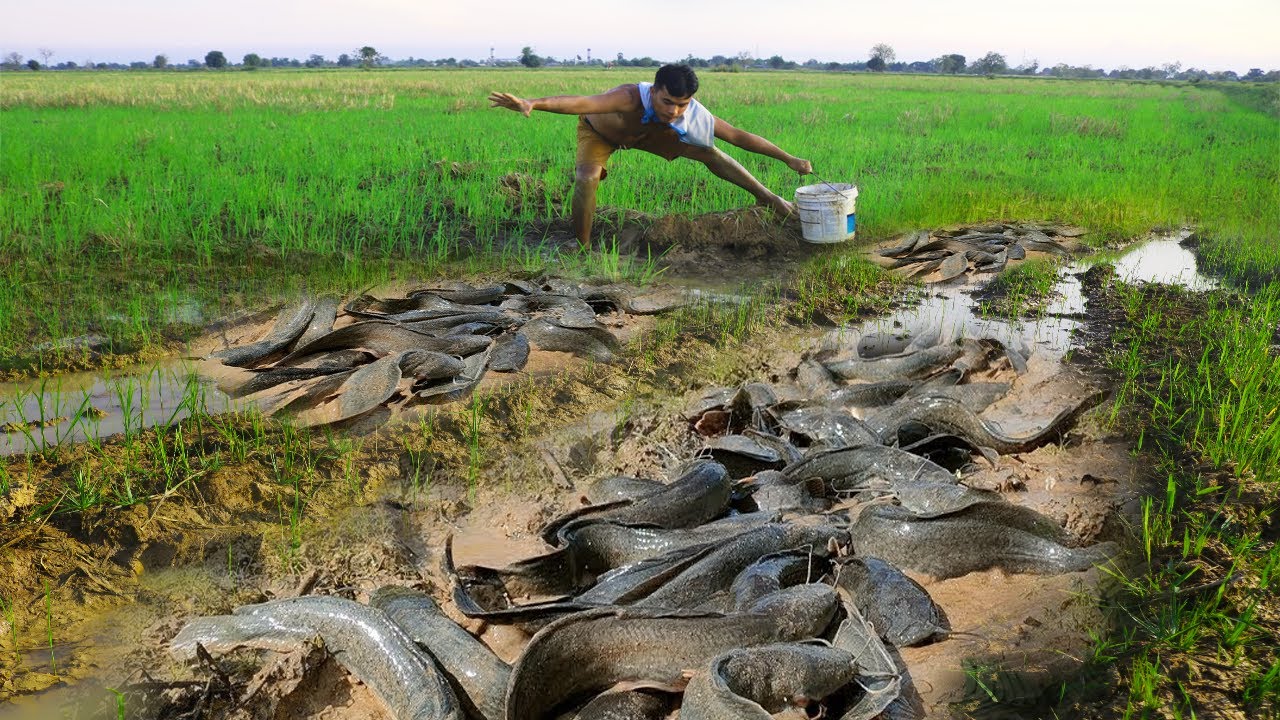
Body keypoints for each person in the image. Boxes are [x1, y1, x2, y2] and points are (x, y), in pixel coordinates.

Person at [488, 64, 812, 248]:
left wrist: (788, 158)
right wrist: (533, 102)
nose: (674, 110)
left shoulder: (689, 115)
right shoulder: (628, 97)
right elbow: (580, 102)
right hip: (601, 133)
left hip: (650, 135)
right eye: (668, 101)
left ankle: (769, 198)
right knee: (586, 178)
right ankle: (582, 247)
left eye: (682, 104)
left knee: (710, 152)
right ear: (654, 90)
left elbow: (740, 136)